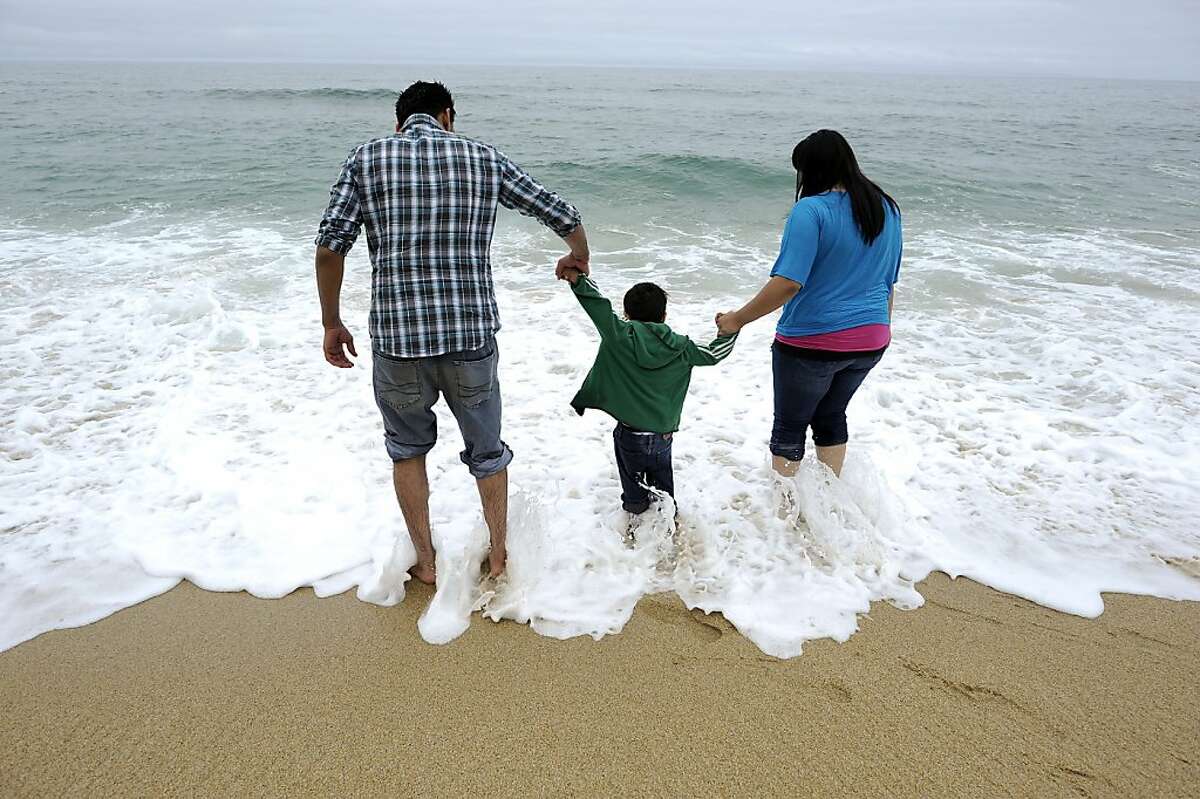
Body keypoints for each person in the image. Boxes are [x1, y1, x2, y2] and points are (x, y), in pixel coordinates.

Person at [313, 81, 590, 583]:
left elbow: (331, 247)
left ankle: (425, 560)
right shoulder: (482, 157)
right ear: (448, 116)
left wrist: (332, 322)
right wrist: (579, 255)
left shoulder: (367, 158)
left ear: (399, 122)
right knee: (487, 453)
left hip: (398, 343)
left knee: (407, 451)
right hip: (469, 338)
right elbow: (560, 212)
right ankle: (500, 554)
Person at [716, 130, 901, 478]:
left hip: (812, 342)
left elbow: (788, 283)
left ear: (810, 170)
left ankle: (785, 518)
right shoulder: (886, 207)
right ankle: (830, 501)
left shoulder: (810, 210)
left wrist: (736, 320)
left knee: (789, 427)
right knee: (832, 417)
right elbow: (888, 282)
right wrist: (881, 331)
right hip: (872, 339)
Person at [561, 267, 738, 518]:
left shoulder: (619, 336)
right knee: (663, 494)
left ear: (626, 313)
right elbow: (713, 354)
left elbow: (597, 307)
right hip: (663, 436)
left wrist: (578, 280)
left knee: (634, 494)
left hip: (629, 435)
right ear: (664, 315)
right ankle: (668, 535)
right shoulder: (683, 347)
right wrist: (730, 330)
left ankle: (635, 536)